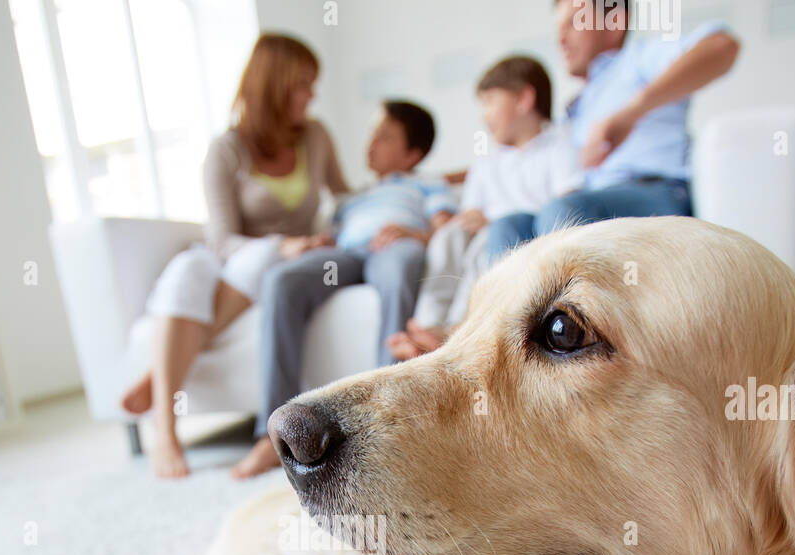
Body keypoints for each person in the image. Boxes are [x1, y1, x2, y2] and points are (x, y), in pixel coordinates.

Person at [121, 33, 350, 479]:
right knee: (187, 268)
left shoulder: (316, 136)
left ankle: (157, 378)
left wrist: (405, 186)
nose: (312, 94)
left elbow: (344, 196)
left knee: (267, 260)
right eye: (303, 83)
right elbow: (222, 238)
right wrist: (282, 243)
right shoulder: (226, 149)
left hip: (283, 262)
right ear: (275, 85)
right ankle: (165, 432)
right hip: (236, 256)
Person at [232, 100, 456, 478]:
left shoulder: (428, 183)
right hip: (345, 255)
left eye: (384, 136)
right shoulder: (352, 199)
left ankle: (385, 421)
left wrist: (415, 234)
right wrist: (320, 242)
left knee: (402, 266)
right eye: (372, 133)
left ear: (413, 152)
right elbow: (333, 236)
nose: (371, 142)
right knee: (282, 280)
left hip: (393, 246)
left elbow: (447, 225)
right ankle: (269, 436)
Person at [486, 0, 739, 258]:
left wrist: (630, 114)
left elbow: (722, 46)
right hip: (589, 202)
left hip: (655, 193)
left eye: (574, 22)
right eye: (558, 28)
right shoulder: (577, 107)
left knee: (563, 213)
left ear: (615, 22)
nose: (560, 39)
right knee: (508, 227)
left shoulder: (637, 60)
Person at [388, 55, 580, 360]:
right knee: (449, 238)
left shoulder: (560, 145)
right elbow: (470, 211)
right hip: (482, 232)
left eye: (490, 101)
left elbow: (566, 207)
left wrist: (489, 222)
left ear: (523, 100)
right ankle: (427, 325)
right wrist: (469, 219)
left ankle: (459, 329)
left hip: (517, 236)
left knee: (484, 244)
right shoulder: (487, 161)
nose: (483, 115)